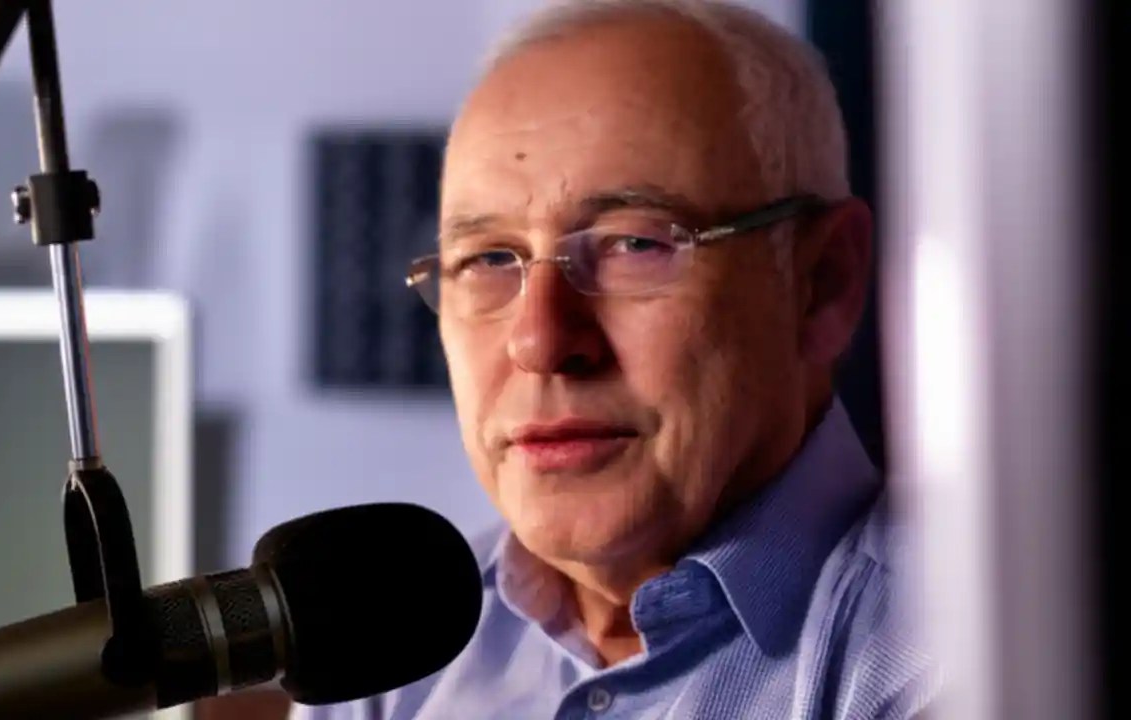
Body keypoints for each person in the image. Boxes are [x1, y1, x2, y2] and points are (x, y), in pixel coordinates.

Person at [295, 1, 937, 717]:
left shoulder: (962, 662)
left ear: (823, 284)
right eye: (490, 259)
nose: (539, 341)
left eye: (636, 244)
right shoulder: (383, 662)